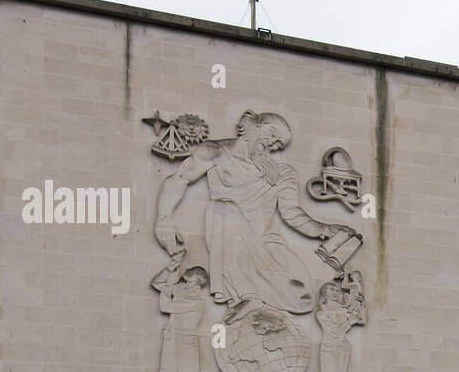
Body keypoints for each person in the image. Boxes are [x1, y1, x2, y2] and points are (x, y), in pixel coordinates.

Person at [153, 110, 358, 323]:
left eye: (278, 145)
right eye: (272, 136)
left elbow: (292, 213)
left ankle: (254, 295)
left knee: (303, 296)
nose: (272, 146)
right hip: (228, 233)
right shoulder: (215, 152)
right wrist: (163, 220)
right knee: (223, 209)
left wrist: (326, 229)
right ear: (255, 126)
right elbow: (177, 180)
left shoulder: (282, 172)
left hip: (266, 241)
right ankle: (246, 295)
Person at [147, 253, 208, 372]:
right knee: (167, 371)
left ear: (198, 282)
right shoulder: (179, 290)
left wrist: (167, 289)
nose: (188, 274)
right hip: (172, 335)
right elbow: (156, 283)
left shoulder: (198, 302)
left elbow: (166, 307)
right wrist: (170, 269)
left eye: (192, 274)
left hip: (187, 339)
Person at [312, 274, 365, 372]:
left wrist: (361, 305)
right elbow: (334, 331)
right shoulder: (321, 313)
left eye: (337, 290)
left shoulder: (344, 309)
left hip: (343, 347)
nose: (336, 293)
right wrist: (350, 323)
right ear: (325, 294)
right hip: (329, 347)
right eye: (331, 290)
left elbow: (361, 319)